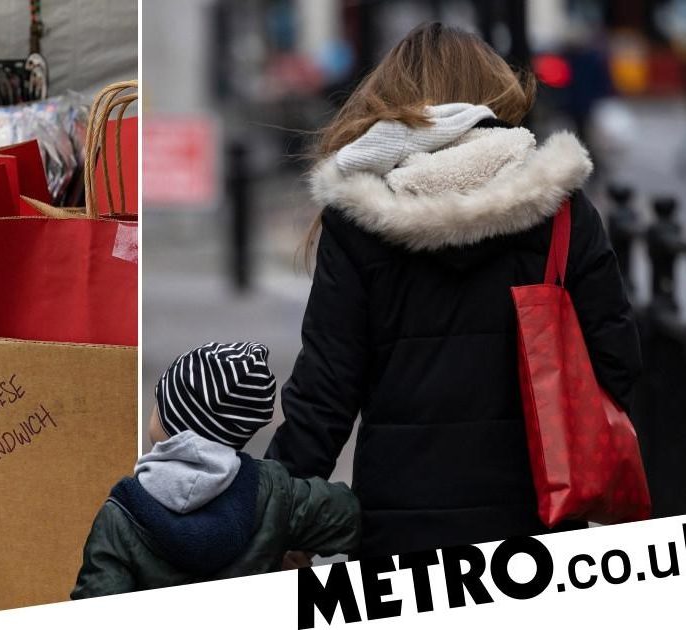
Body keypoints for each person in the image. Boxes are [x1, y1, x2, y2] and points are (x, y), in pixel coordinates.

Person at [267, 22, 642, 559]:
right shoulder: (558, 210)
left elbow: (324, 391)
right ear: (493, 90)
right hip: (537, 519)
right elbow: (618, 361)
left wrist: (282, 520)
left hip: (399, 522)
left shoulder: (358, 220)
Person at [71, 342, 361, 598]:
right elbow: (349, 517)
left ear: (174, 423)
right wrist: (296, 549)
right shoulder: (274, 492)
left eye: (161, 401)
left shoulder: (121, 514)